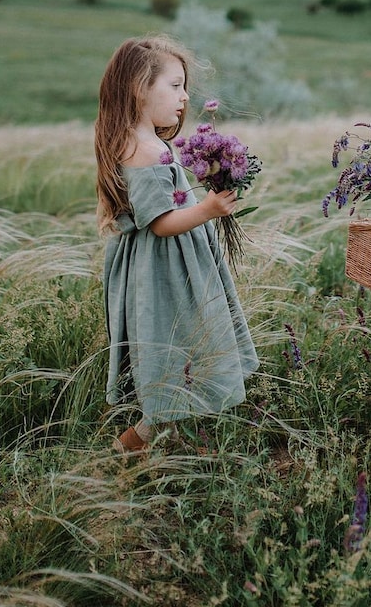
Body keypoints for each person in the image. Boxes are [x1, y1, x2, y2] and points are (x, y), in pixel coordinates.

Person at [94, 35, 259, 454]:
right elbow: (162, 223)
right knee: (176, 340)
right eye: (175, 85)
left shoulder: (145, 143)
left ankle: (179, 440)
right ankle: (134, 447)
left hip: (170, 264)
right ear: (138, 88)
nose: (185, 97)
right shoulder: (144, 150)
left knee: (184, 344)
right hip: (164, 270)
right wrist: (208, 209)